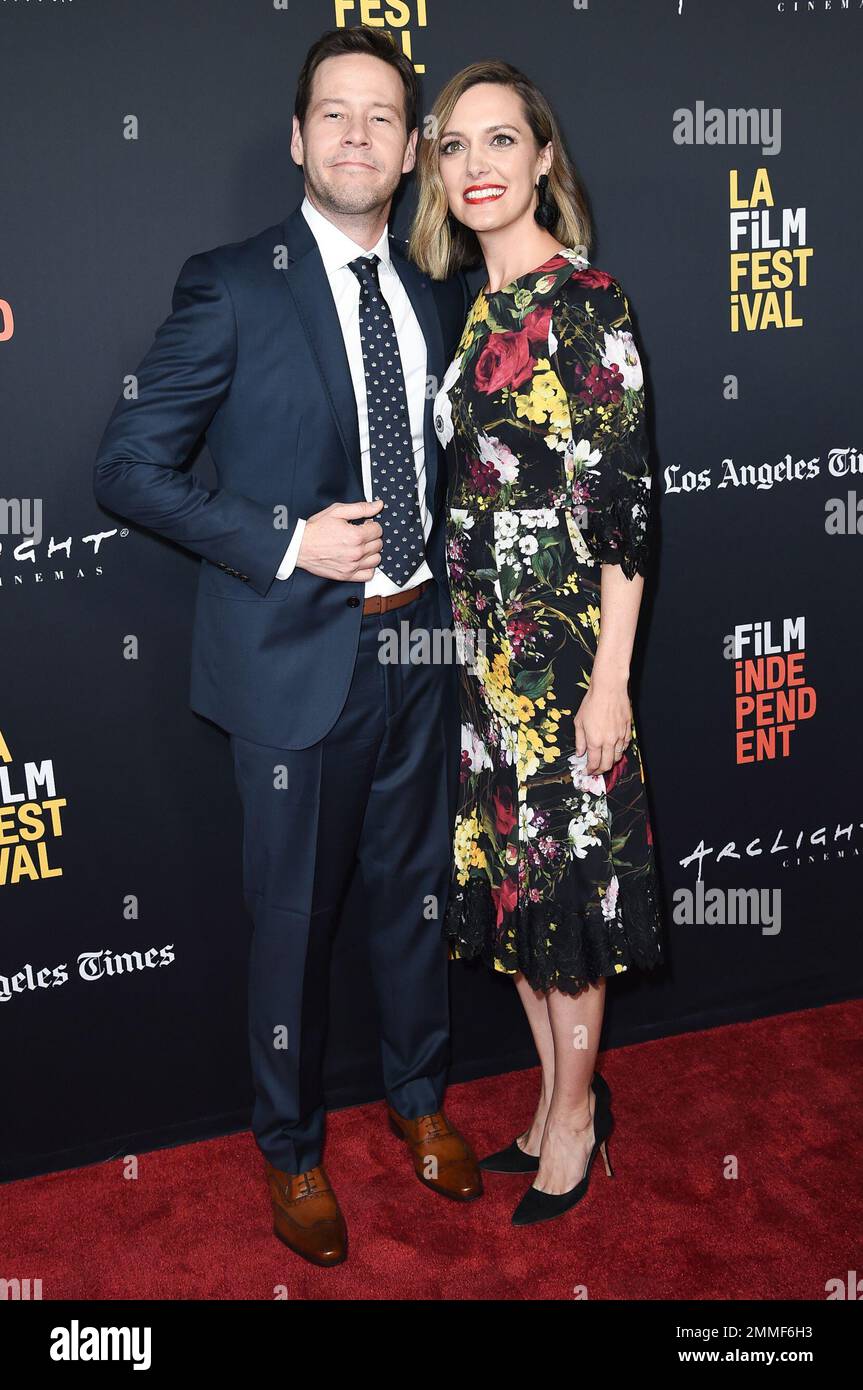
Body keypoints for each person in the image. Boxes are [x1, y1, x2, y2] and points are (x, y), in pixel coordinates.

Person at [92, 25, 483, 1269]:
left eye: (382, 117)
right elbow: (128, 468)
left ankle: (418, 1101)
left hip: (421, 646)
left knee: (416, 904)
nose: (358, 136)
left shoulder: (433, 286)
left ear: (410, 146)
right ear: (301, 135)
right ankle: (291, 1152)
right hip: (289, 660)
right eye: (335, 114)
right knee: (288, 925)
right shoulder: (231, 281)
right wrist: (283, 539)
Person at [409, 60, 666, 1226]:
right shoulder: (473, 314)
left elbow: (621, 518)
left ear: (542, 160)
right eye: (454, 146)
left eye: (499, 142)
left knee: (566, 895)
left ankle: (574, 1114)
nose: (475, 167)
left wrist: (609, 681)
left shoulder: (586, 302)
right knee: (517, 898)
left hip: (562, 661)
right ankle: (551, 1093)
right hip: (481, 666)